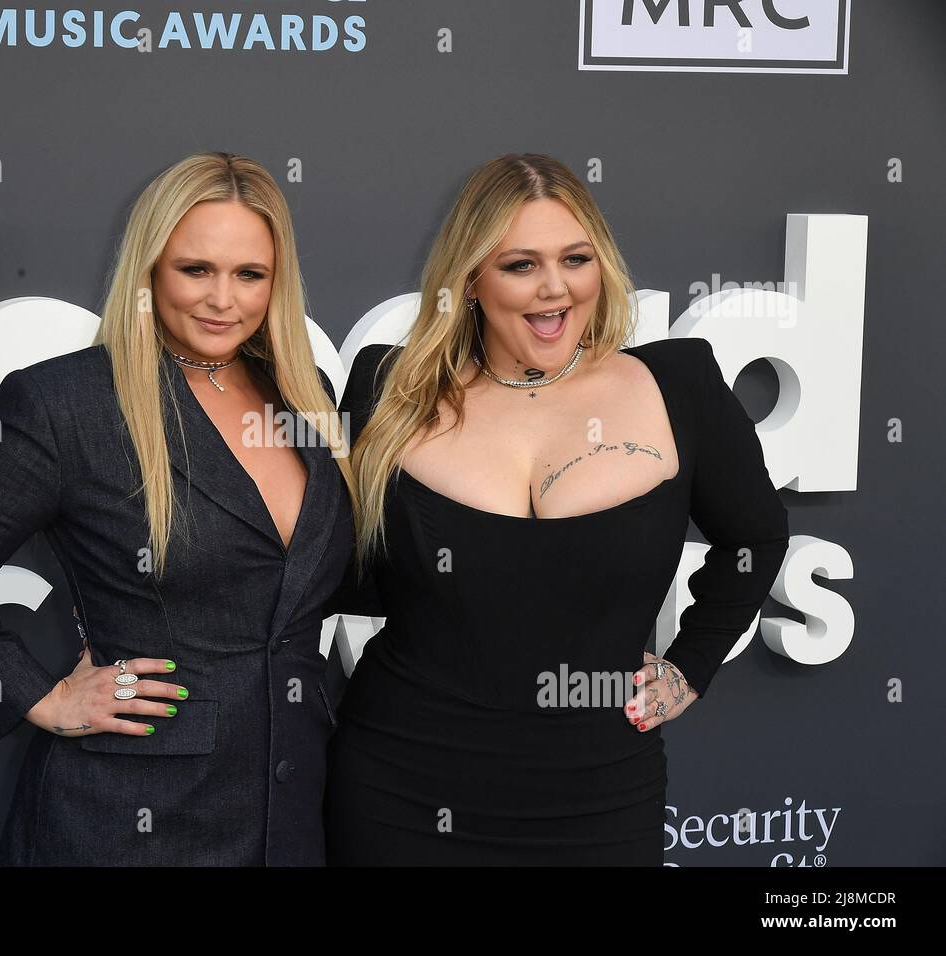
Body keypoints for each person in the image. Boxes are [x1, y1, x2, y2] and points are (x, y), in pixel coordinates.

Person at [0, 151, 356, 866]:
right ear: (150, 268)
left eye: (249, 275)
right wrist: (41, 695)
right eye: (196, 270)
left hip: (291, 807)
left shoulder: (304, 393)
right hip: (126, 816)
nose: (222, 300)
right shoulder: (69, 404)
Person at [322, 153, 789, 865]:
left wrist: (690, 665)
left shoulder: (677, 385)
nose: (555, 288)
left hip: (600, 792)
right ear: (471, 279)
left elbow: (754, 537)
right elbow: (323, 564)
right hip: (401, 783)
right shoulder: (388, 391)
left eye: (576, 258)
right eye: (520, 265)